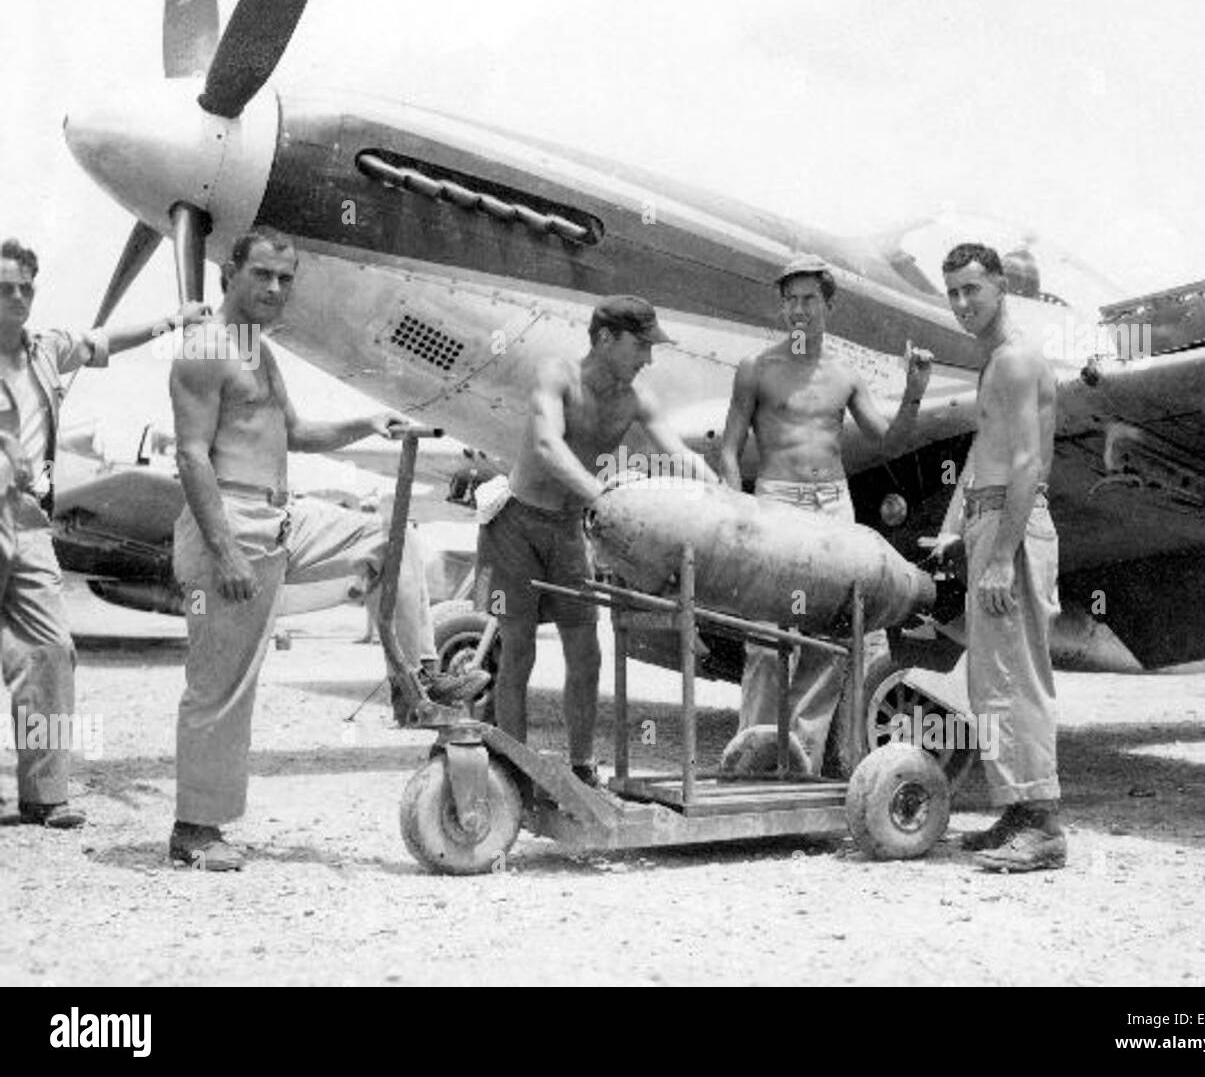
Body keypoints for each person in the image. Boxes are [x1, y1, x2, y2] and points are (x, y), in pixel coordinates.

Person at [167, 226, 485, 872]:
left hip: (281, 518)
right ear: (230, 273)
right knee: (222, 686)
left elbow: (300, 432)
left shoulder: (259, 350)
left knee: (392, 535)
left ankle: (420, 677)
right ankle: (195, 831)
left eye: (286, 278)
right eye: (263, 275)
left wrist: (367, 423)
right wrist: (225, 551)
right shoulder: (205, 349)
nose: (276, 289)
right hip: (228, 523)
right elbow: (191, 454)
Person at [0, 236, 206, 829]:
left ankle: (45, 793)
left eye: (23, 287)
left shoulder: (46, 350)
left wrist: (174, 319)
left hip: (32, 523)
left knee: (53, 651)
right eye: (2, 287)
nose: (14, 297)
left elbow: (106, 340)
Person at [477, 295, 717, 786]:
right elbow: (548, 446)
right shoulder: (557, 375)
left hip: (567, 532)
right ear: (606, 338)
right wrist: (599, 496)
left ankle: (581, 768)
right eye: (641, 346)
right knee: (518, 648)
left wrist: (723, 499)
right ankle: (514, 769)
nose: (648, 359)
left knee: (586, 653)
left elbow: (681, 456)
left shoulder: (635, 399)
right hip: (516, 526)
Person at [718, 254, 933, 775]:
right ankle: (754, 759)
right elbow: (727, 449)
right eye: (790, 301)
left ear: (828, 305)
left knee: (834, 635)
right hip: (777, 503)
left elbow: (888, 441)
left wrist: (913, 393)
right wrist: (737, 508)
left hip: (833, 505)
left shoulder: (844, 374)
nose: (799, 311)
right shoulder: (756, 369)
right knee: (768, 639)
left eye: (809, 300)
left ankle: (801, 760)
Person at [927, 242, 1065, 872]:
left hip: (1012, 526)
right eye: (952, 291)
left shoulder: (1013, 361)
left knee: (1015, 676)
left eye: (971, 291)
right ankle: (1016, 811)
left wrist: (1002, 555)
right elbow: (989, 453)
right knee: (991, 679)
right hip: (990, 520)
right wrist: (960, 529)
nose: (961, 304)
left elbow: (1029, 466)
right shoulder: (995, 362)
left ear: (1001, 287)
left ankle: (1042, 828)